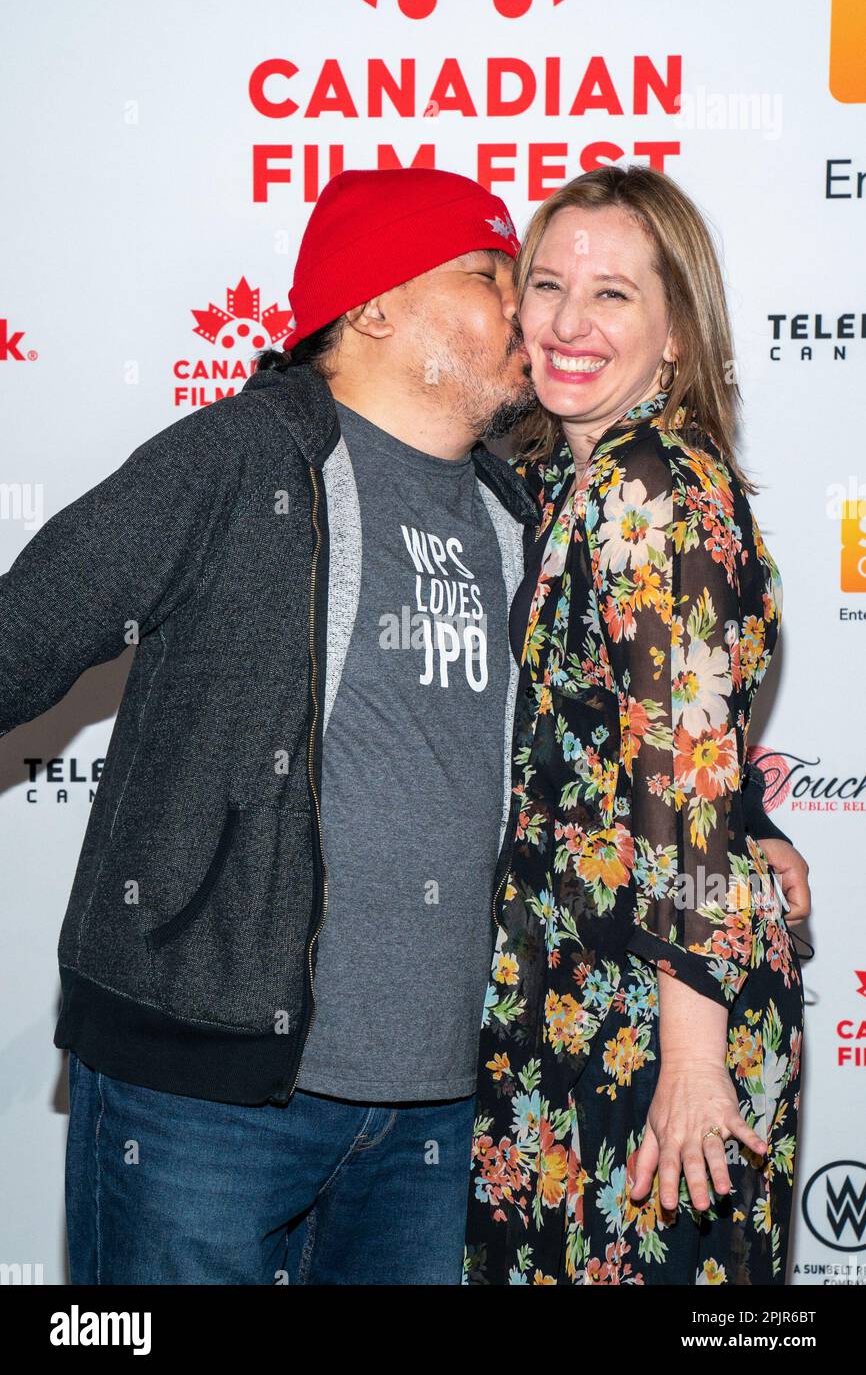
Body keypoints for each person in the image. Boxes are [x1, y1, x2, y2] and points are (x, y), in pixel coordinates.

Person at [0, 166, 808, 1286]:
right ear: (374, 306)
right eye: (497, 277)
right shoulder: (238, 459)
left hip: (441, 1114)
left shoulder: (520, 501)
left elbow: (649, 704)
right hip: (209, 1098)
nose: (535, 316)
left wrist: (746, 819)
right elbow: (20, 635)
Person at [463, 165, 806, 1286]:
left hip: (654, 1011)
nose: (567, 321)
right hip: (583, 995)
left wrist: (693, 1060)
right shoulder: (582, 478)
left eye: (612, 295)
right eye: (546, 283)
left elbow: (688, 785)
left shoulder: (643, 486)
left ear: (673, 333)